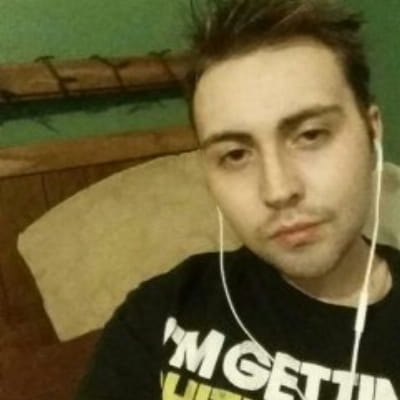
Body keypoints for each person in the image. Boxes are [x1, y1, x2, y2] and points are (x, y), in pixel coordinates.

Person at [76, 0, 400, 399]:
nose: (278, 190)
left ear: (371, 131)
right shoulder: (162, 312)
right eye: (235, 155)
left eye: (310, 135)